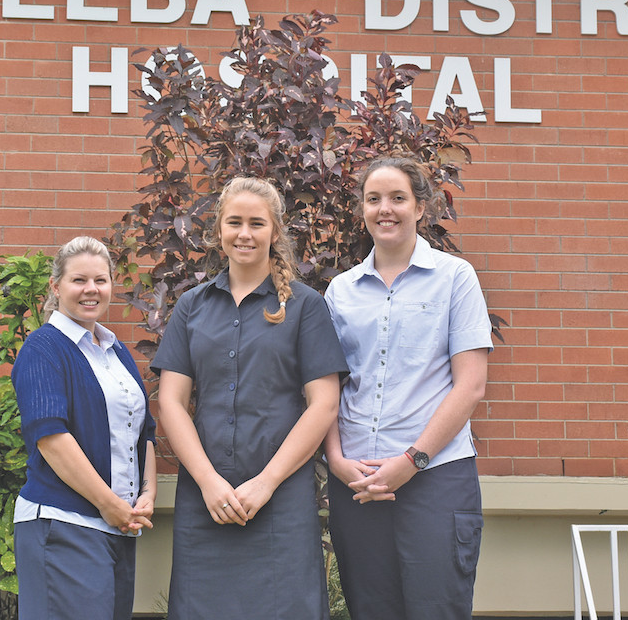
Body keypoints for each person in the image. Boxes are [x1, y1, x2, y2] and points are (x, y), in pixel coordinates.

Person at [151, 177, 347, 620]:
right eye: (234, 222)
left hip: (281, 500)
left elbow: (324, 404)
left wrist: (266, 482)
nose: (245, 233)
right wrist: (207, 481)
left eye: (257, 223)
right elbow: (171, 403)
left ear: (275, 232)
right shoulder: (191, 307)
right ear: (218, 230)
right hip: (206, 500)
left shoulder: (305, 306)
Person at [323, 156, 494, 620]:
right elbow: (326, 389)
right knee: (370, 609)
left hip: (435, 478)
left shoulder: (456, 278)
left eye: (398, 198)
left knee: (437, 608)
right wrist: (336, 460)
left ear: (421, 207)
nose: (385, 209)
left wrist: (412, 460)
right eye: (373, 198)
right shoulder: (340, 291)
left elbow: (471, 386)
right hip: (356, 482)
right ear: (362, 209)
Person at [11, 236, 157, 620]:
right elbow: (51, 438)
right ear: (56, 287)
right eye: (79, 280)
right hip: (64, 524)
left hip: (118, 527)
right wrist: (111, 505)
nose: (91, 290)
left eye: (101, 280)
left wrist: (148, 493)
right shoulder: (44, 348)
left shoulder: (116, 351)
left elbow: (145, 431)